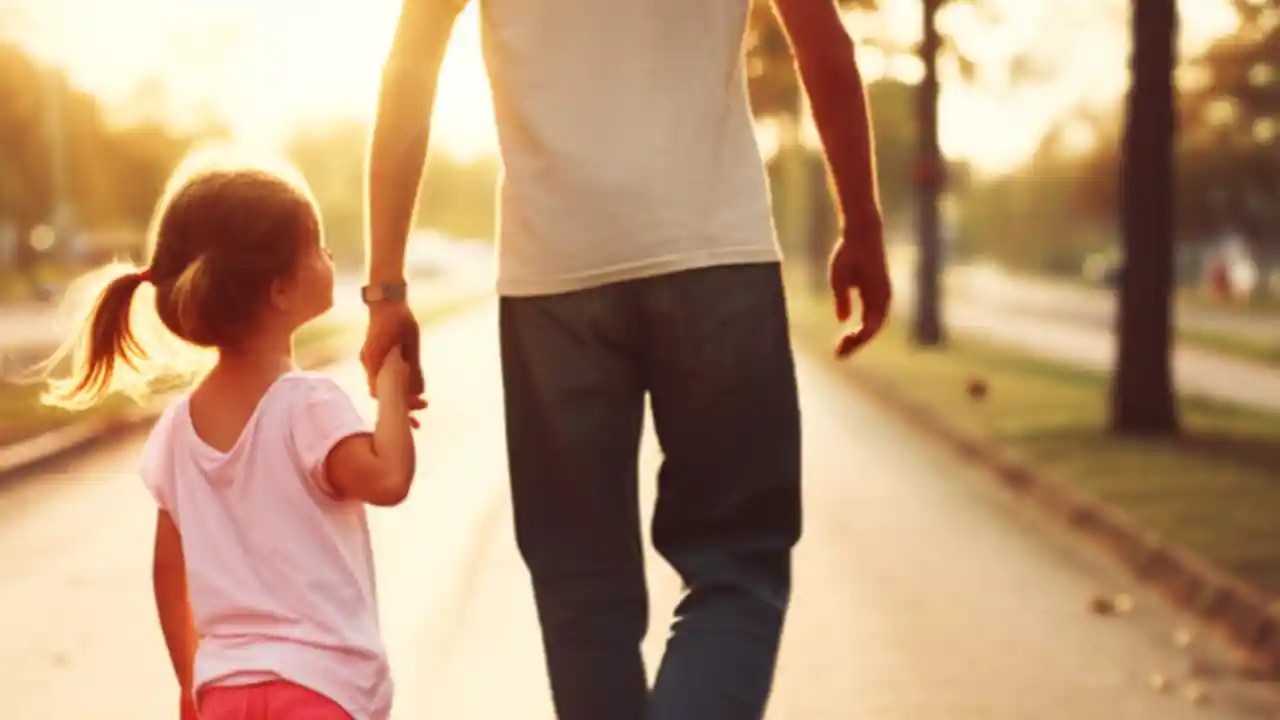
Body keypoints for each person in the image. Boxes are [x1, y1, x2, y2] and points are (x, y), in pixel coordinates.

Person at [360, 0, 890, 718]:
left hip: (554, 273)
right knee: (737, 565)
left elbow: (409, 71)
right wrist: (860, 225)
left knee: (581, 587)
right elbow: (824, 43)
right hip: (716, 258)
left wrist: (386, 287)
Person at [44, 154, 422, 720]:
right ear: (278, 290)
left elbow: (169, 571)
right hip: (321, 687)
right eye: (316, 245)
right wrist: (391, 388)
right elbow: (388, 477)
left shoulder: (175, 430)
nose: (330, 256)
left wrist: (190, 681)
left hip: (223, 689)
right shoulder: (307, 404)